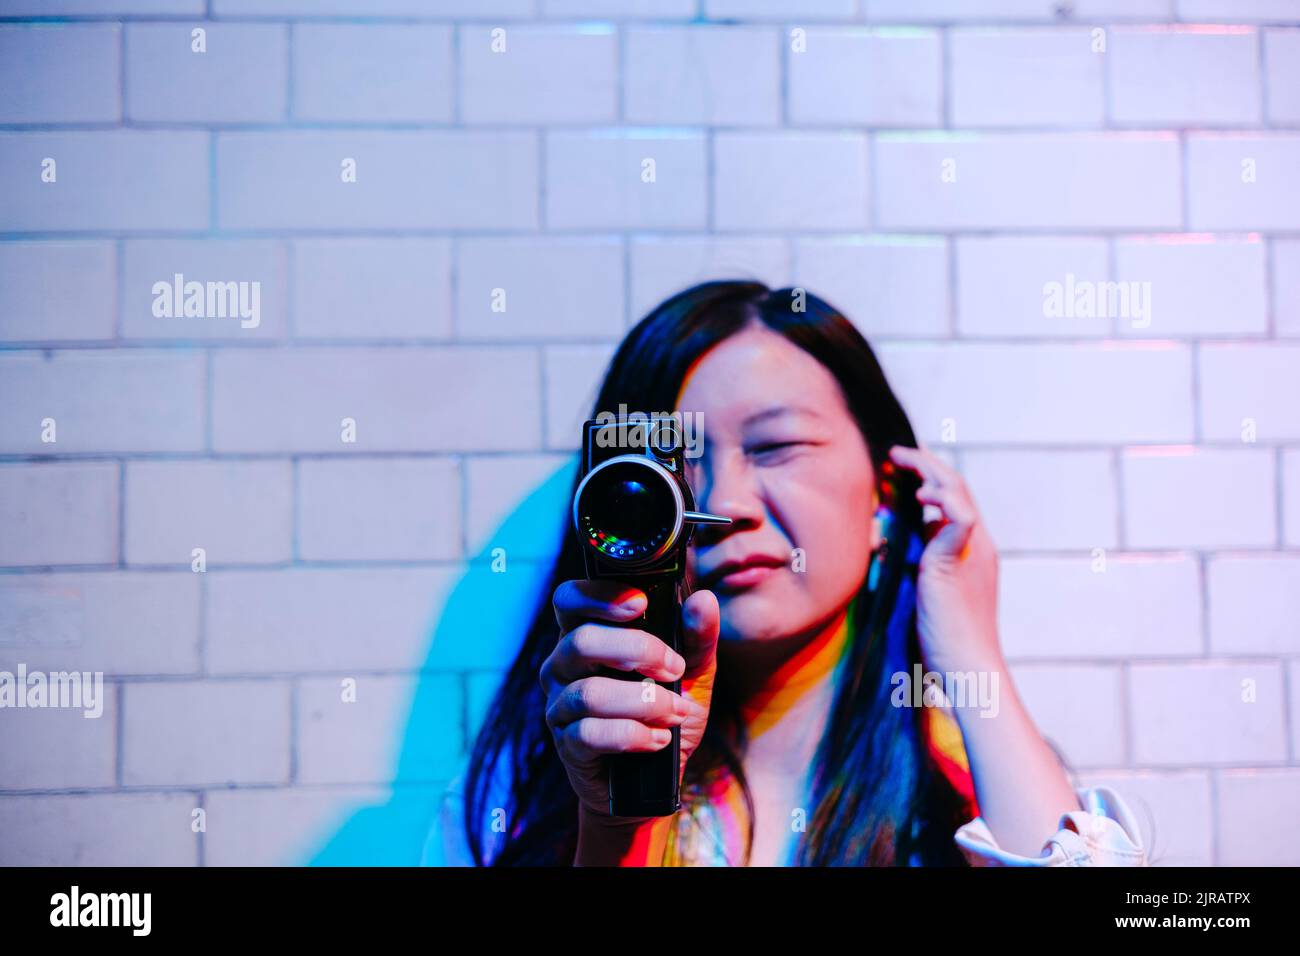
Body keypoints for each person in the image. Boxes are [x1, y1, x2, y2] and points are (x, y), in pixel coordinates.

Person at [422, 281, 1148, 867]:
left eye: (775, 447)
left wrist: (966, 649)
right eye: (677, 467)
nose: (725, 505)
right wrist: (611, 823)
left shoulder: (974, 783)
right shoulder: (514, 798)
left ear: (885, 494)